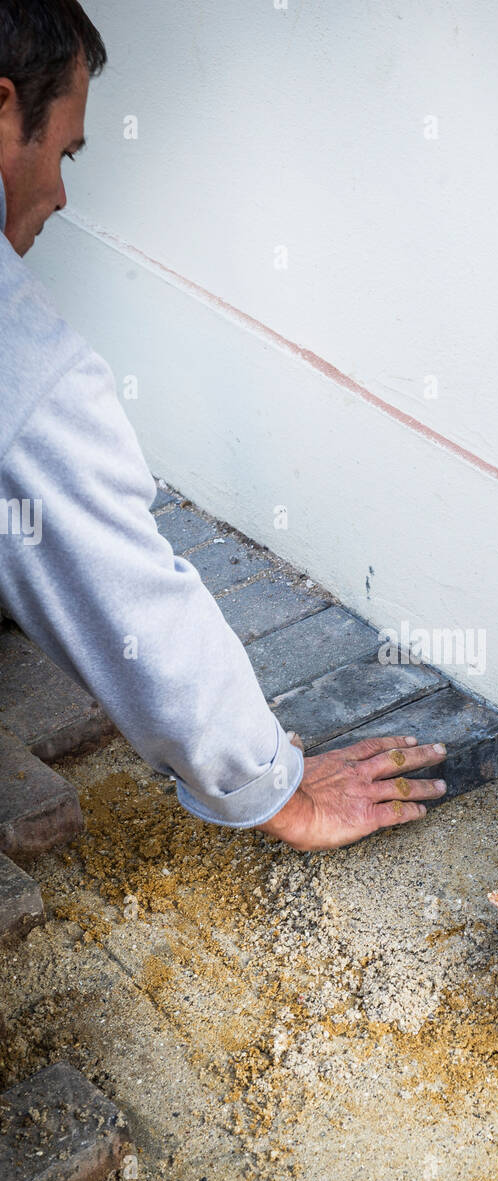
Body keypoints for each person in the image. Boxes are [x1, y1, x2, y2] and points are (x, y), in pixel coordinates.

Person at [0, 0, 446, 851]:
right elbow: (118, 579)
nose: (58, 194)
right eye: (59, 152)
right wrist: (271, 788)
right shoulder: (18, 357)